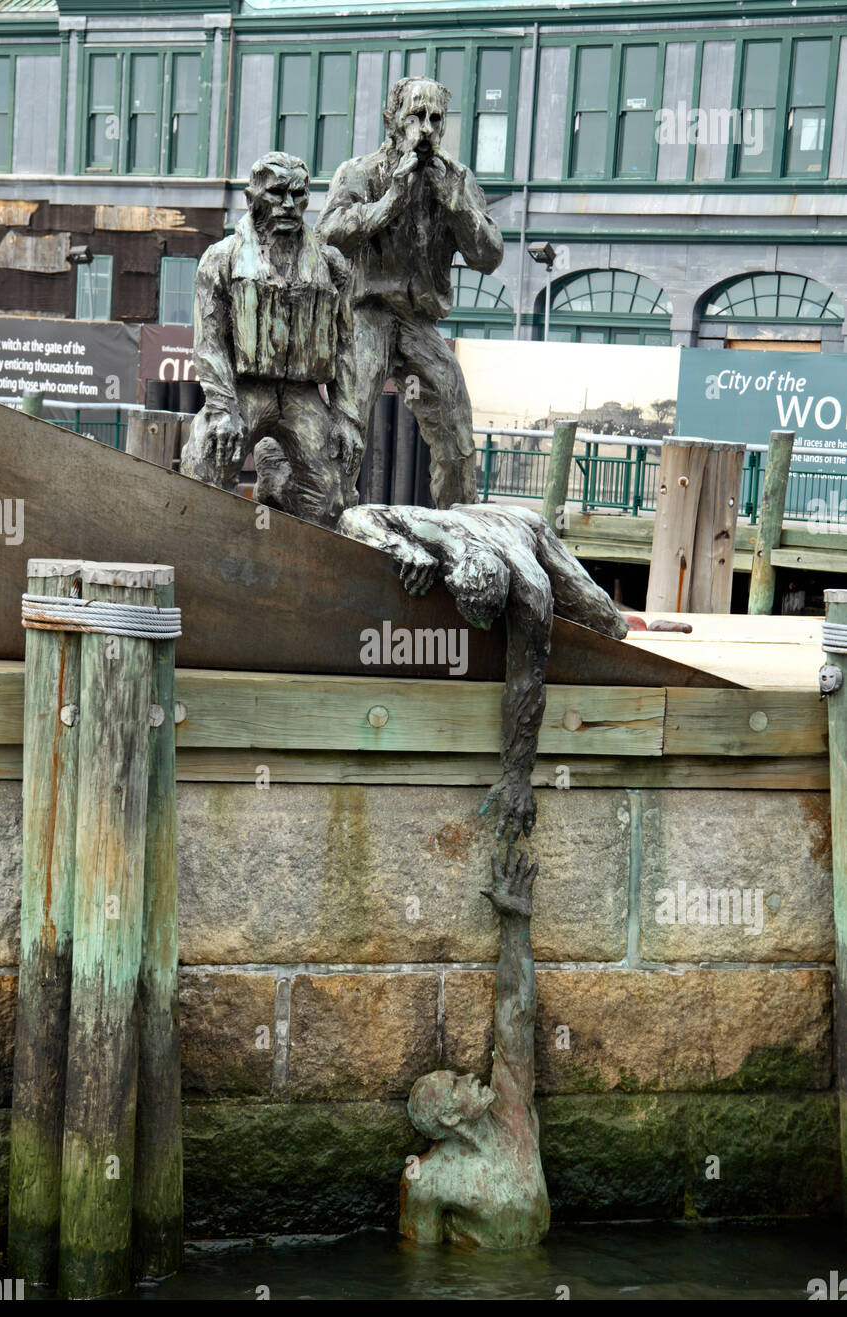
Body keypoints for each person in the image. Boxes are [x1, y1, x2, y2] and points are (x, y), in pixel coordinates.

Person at [337, 501, 627, 841]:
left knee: (609, 625)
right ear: (453, 577)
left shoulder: (530, 587)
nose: (485, 628)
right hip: (468, 518)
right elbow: (353, 517)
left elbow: (528, 676)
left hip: (522, 525)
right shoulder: (431, 533)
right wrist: (402, 548)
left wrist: (517, 774)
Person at [316, 77, 504, 509]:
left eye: (435, 119)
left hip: (419, 323)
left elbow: (489, 256)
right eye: (414, 117)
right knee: (349, 423)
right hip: (366, 316)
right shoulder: (361, 173)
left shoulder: (456, 179)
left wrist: (456, 205)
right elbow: (327, 236)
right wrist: (390, 202)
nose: (425, 129)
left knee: (454, 421)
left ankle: (461, 527)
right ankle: (331, 518)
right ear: (393, 123)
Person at [180, 152, 362, 528]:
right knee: (208, 460)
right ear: (251, 199)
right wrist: (222, 409)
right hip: (245, 392)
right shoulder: (222, 259)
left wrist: (346, 416)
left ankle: (282, 511)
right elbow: (210, 343)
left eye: (298, 195)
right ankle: (208, 554)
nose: (289, 205)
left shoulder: (331, 266)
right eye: (277, 193)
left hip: (304, 396)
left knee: (334, 491)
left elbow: (345, 345)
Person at [400, 847, 550, 1249]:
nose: (469, 1075)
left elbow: (516, 1014)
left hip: (534, 1283)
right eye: (455, 1084)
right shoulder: (429, 1181)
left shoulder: (513, 1114)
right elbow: (420, 1272)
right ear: (449, 1118)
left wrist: (516, 925)